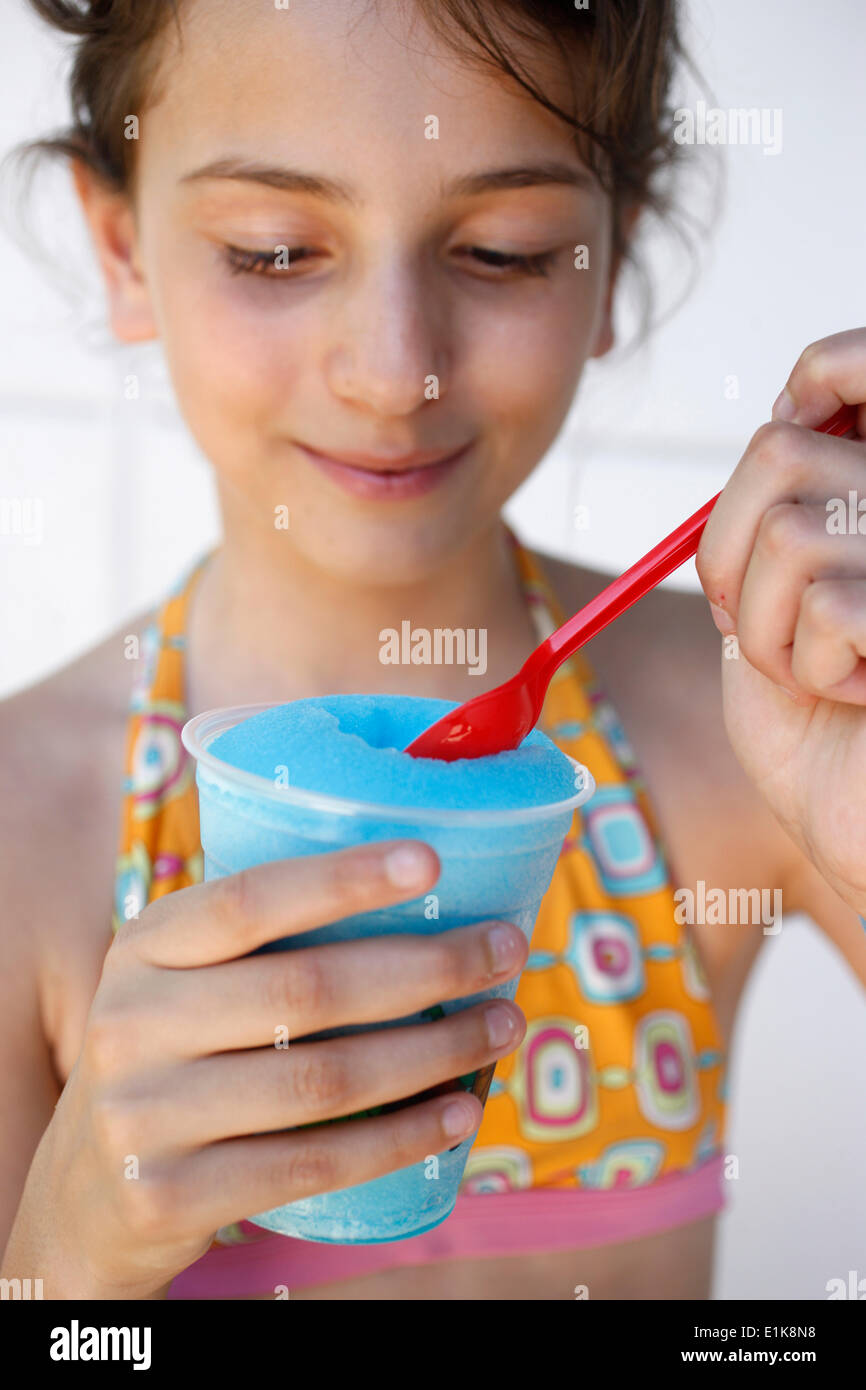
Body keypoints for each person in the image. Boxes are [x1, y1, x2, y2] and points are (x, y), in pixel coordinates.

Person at [1, 0, 864, 1301]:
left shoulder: (754, 718)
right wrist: (68, 1262)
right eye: (277, 249)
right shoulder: (23, 832)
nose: (394, 370)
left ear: (610, 257)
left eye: (506, 253)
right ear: (123, 248)